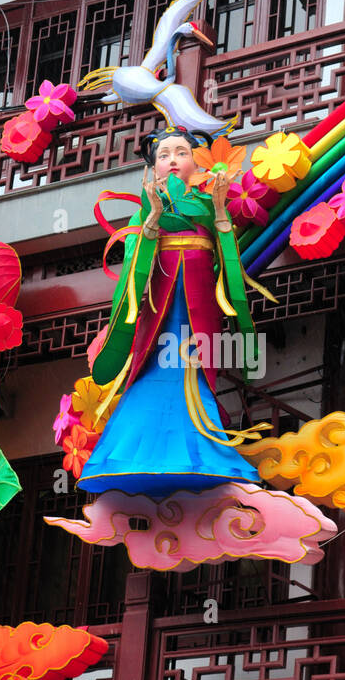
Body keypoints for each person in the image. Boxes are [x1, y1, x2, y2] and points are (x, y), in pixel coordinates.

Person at [79, 125, 265, 496]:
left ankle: (205, 450)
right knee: (153, 366)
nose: (172, 161)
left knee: (196, 367)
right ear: (154, 167)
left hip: (199, 298)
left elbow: (229, 259)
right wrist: (151, 222)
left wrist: (219, 214)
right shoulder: (145, 209)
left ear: (196, 161)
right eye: (164, 155)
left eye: (181, 152)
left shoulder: (209, 200)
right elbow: (133, 272)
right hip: (158, 304)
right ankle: (130, 454)